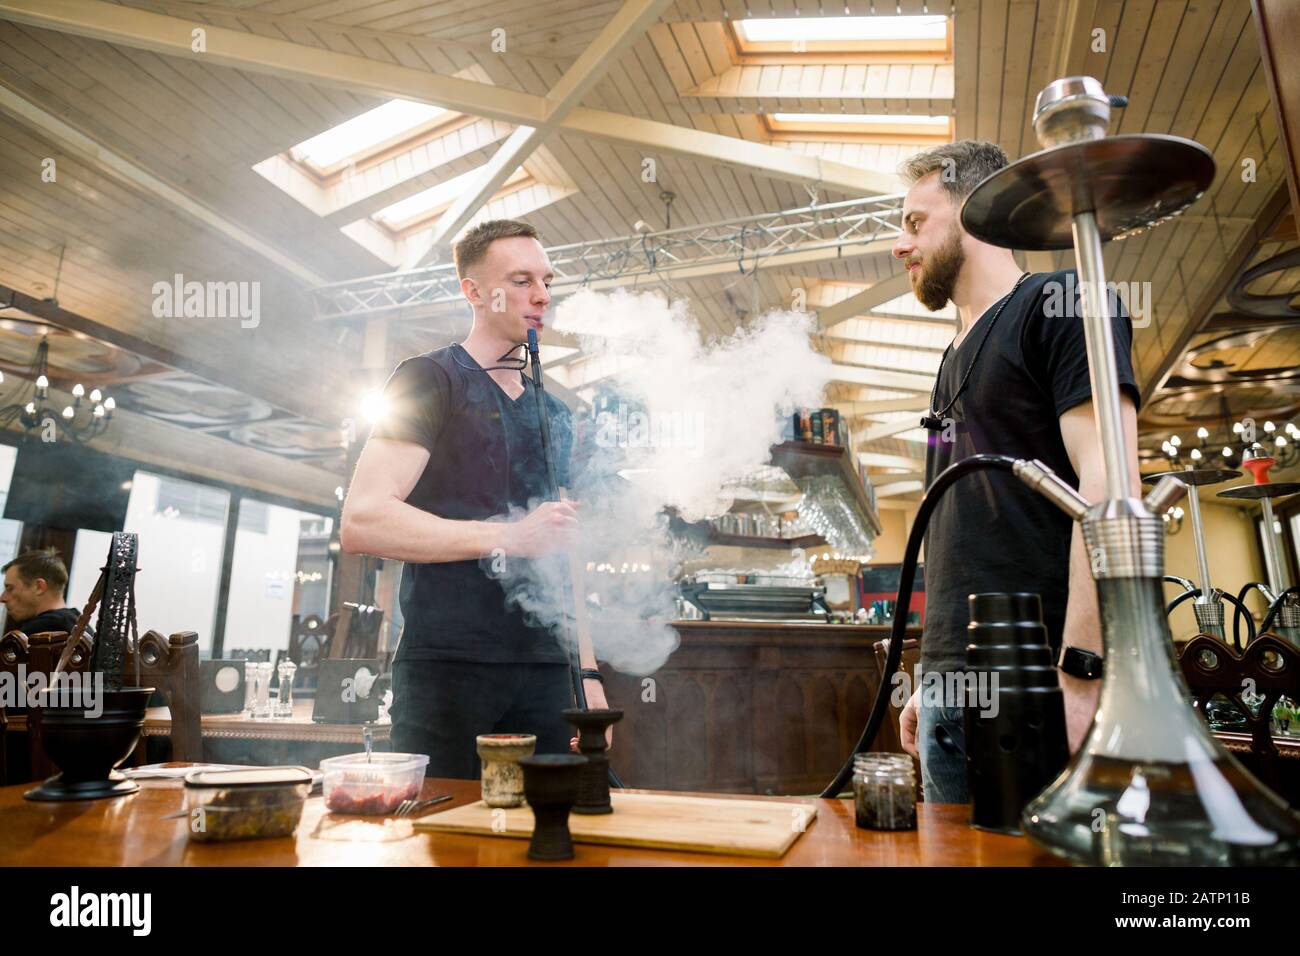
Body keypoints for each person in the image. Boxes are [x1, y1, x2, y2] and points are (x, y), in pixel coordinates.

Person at [890, 141, 1141, 802]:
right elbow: (958, 535)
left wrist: (1082, 675)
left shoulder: (1060, 300)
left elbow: (1110, 486)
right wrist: (931, 674)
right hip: (952, 687)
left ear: (972, 210)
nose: (899, 244)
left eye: (916, 222)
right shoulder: (948, 361)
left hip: (1042, 683)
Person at [340, 218, 609, 779]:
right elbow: (363, 521)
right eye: (520, 280)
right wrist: (509, 536)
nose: (542, 296)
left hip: (548, 672)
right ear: (473, 290)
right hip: (449, 668)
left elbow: (566, 551)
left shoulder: (555, 411)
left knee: (554, 837)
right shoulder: (429, 380)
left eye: (547, 280)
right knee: (442, 842)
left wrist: (587, 674)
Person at [1, 548, 81, 636]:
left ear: (39, 587)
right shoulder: (80, 624)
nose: (2, 598)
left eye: (10, 588)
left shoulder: (41, 629)